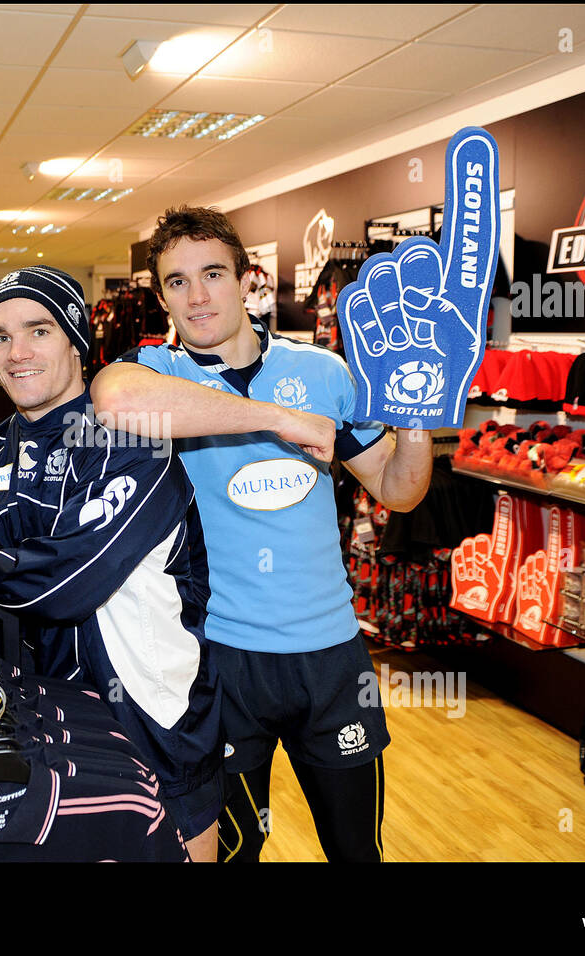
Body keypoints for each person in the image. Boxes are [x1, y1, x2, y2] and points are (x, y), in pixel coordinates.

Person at [91, 206, 436, 862]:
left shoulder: (326, 373)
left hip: (330, 658)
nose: (197, 297)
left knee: (357, 852)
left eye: (213, 274)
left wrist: (421, 417)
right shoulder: (155, 371)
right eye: (177, 282)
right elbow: (115, 403)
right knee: (235, 852)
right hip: (220, 659)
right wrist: (281, 419)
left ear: (247, 280)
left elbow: (397, 487)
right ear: (160, 294)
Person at [0, 265, 224, 860]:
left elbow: (65, 583)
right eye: (1, 336)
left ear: (76, 339)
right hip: (43, 735)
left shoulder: (135, 442)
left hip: (157, 731)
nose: (15, 352)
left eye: (38, 331)